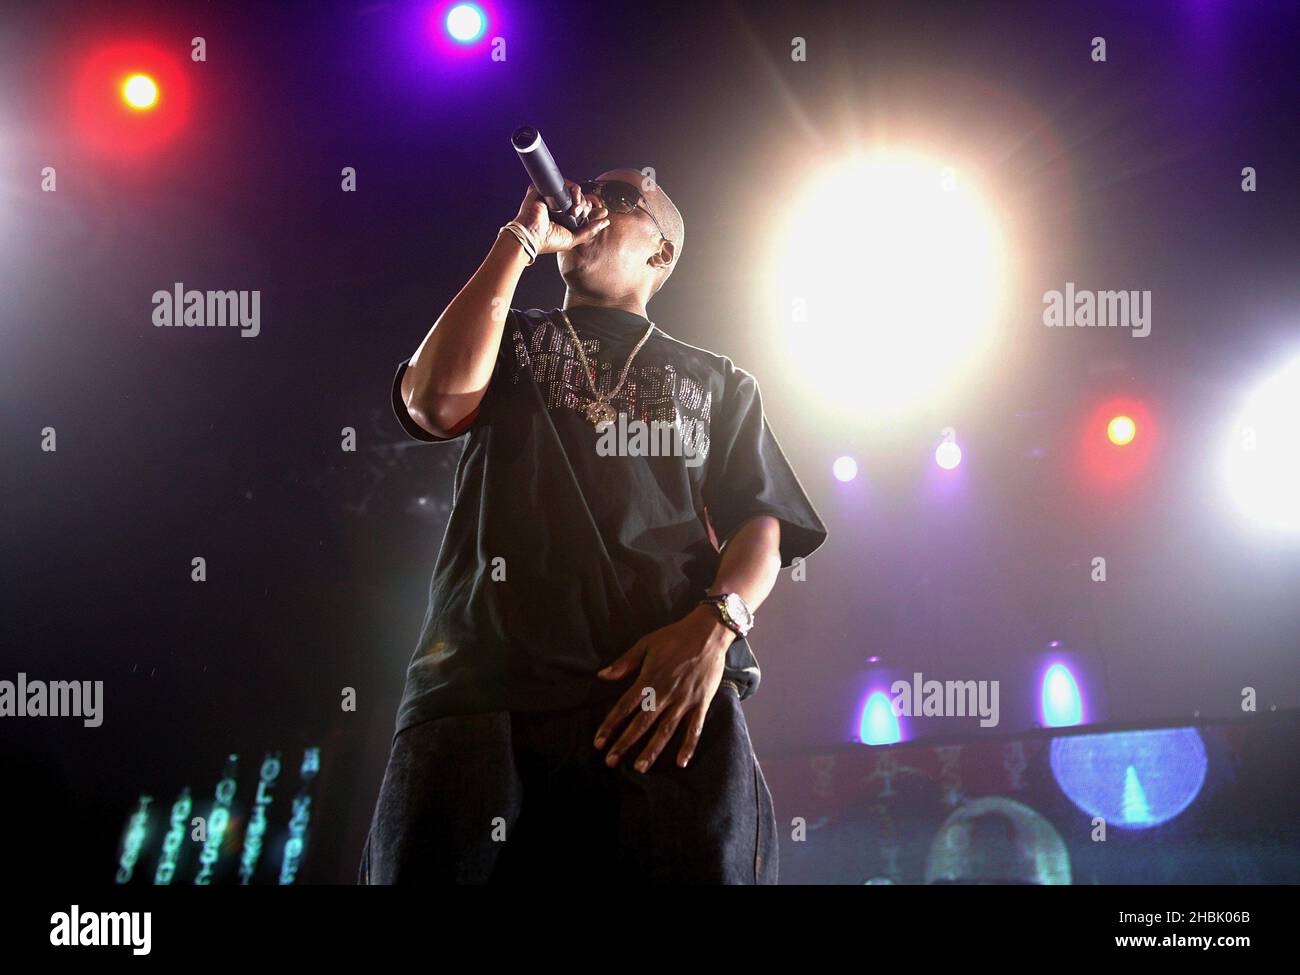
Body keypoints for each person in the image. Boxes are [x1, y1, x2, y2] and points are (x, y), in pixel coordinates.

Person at [360, 168, 828, 884]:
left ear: (662, 252)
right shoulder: (510, 335)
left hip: (662, 701)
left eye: (621, 198)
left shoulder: (721, 381)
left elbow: (762, 525)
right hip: (481, 692)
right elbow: (433, 403)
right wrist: (520, 240)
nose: (592, 203)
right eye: (592, 191)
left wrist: (716, 627)